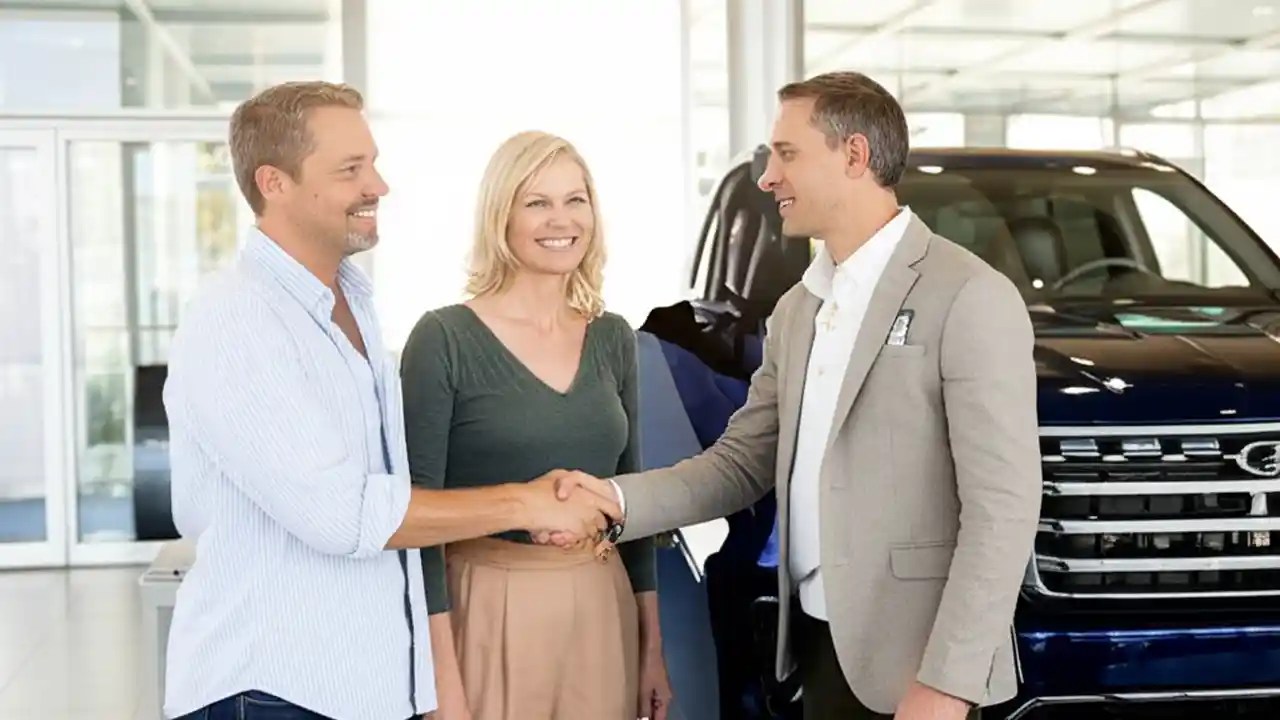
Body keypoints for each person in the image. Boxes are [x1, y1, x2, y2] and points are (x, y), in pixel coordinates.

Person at [553, 71, 1042, 720]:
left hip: (916, 667)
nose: (767, 177)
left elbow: (1003, 507)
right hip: (820, 645)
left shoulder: (968, 295)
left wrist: (948, 683)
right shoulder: (798, 311)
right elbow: (739, 464)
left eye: (787, 154)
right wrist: (613, 499)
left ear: (854, 156)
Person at [162, 83, 620, 720]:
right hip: (271, 692)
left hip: (358, 687)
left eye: (372, 163)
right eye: (351, 170)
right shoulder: (238, 320)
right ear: (275, 183)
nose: (377, 186)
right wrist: (524, 500)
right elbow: (342, 515)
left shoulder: (351, 306)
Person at [397, 130, 674, 720]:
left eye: (576, 200)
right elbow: (414, 518)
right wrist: (440, 680)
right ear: (502, 215)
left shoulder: (612, 336)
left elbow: (632, 494)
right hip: (486, 609)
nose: (562, 219)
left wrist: (652, 648)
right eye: (537, 202)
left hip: (601, 606)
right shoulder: (443, 339)